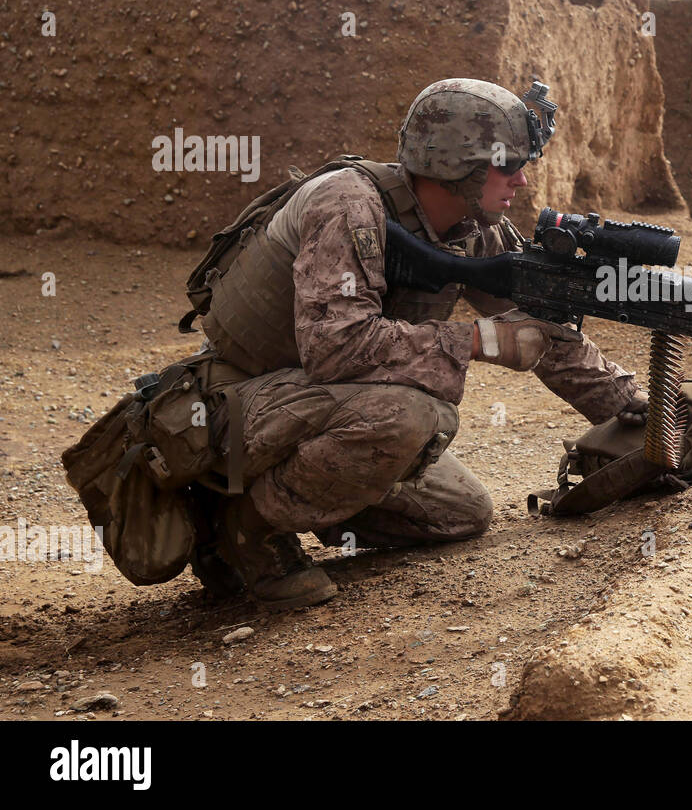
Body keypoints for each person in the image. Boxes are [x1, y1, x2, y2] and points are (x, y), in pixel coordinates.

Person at [189, 78, 647, 610]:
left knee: (463, 513)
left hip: (319, 408)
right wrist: (477, 341)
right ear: (457, 164)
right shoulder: (349, 206)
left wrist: (634, 406)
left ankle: (320, 499)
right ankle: (244, 529)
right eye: (507, 165)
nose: (521, 181)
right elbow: (334, 346)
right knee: (414, 417)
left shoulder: (472, 225)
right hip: (241, 403)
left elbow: (543, 333)